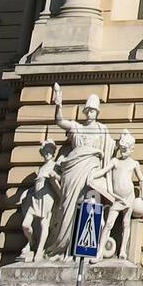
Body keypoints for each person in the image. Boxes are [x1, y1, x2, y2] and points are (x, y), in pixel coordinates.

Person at [46, 85, 113, 259]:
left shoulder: (102, 130)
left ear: (97, 112)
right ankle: (62, 246)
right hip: (73, 170)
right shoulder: (77, 127)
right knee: (67, 207)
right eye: (88, 110)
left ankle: (85, 249)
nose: (90, 113)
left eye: (93, 110)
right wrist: (59, 105)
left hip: (91, 170)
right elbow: (60, 121)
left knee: (90, 205)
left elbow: (108, 151)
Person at [90, 131, 143, 261]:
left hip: (129, 197)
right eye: (122, 149)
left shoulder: (134, 163)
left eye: (126, 149)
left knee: (126, 223)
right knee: (108, 224)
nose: (123, 151)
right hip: (116, 198)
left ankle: (122, 250)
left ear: (132, 149)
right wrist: (92, 175)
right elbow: (103, 171)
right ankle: (100, 252)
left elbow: (141, 180)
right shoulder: (115, 161)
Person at [18, 139, 59, 262]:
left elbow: (60, 179)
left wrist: (54, 175)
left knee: (44, 223)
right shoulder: (40, 168)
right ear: (42, 152)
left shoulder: (55, 165)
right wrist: (26, 193)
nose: (48, 152)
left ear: (53, 152)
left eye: (50, 150)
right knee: (25, 224)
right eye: (46, 150)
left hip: (47, 197)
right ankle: (32, 242)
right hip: (36, 197)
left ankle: (40, 249)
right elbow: (36, 184)